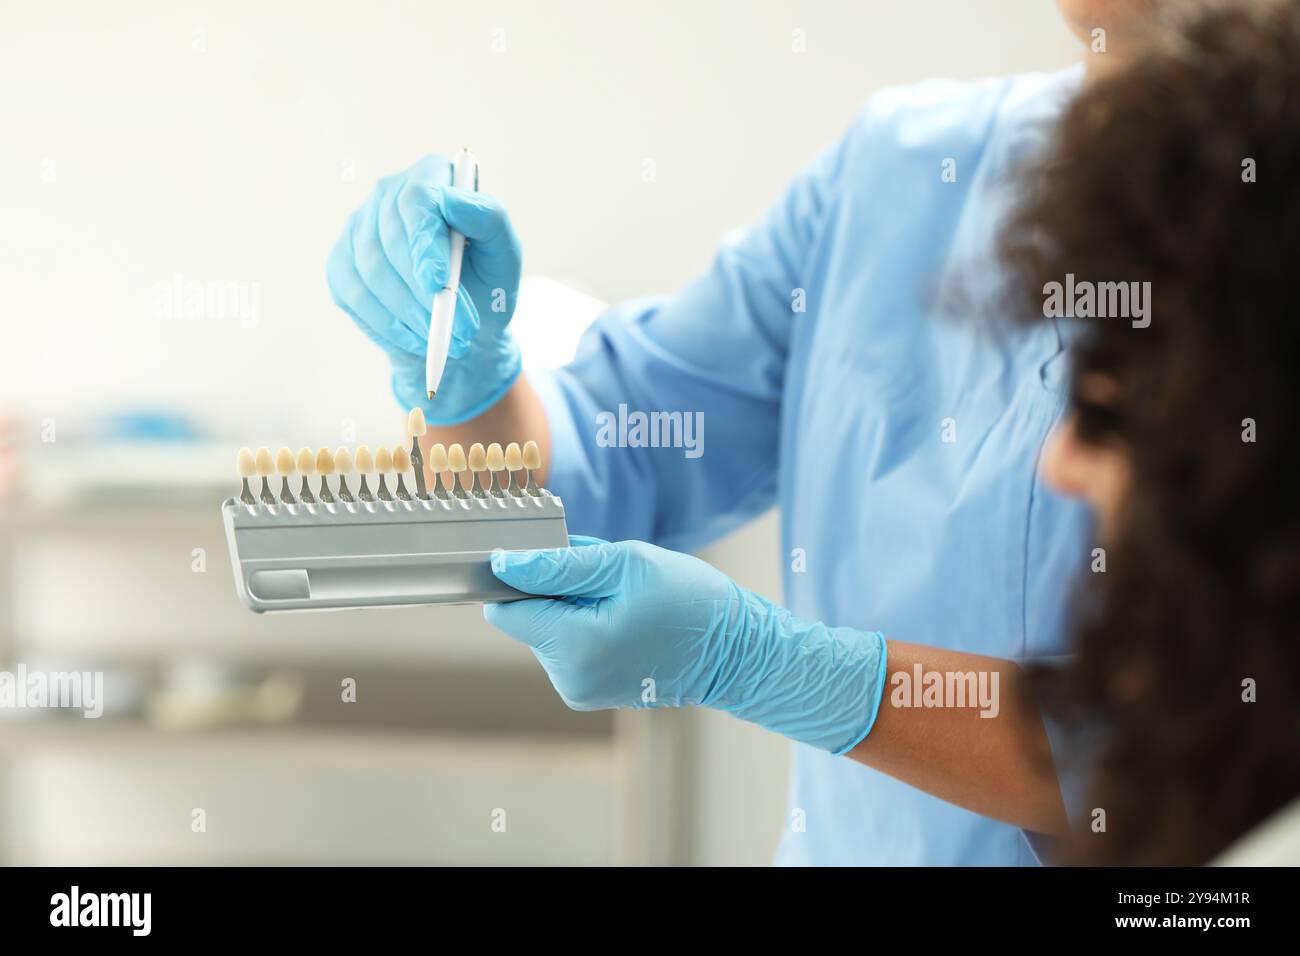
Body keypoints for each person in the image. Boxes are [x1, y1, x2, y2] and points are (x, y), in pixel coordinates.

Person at [326, 2, 1170, 865]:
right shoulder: (899, 174)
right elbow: (604, 467)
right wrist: (468, 377)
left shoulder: (1239, 236)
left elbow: (1192, 748)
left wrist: (770, 665)